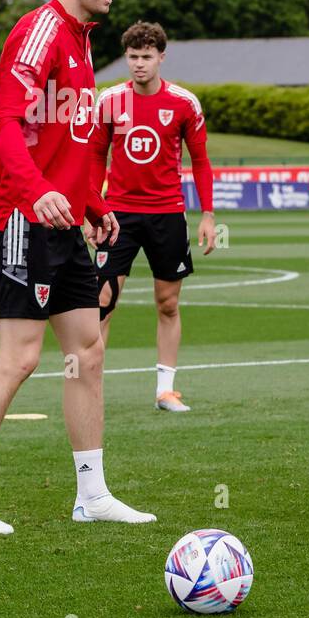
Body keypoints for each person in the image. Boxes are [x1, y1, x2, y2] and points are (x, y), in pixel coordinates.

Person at [0, 0, 156, 535]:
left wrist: (92, 204)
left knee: (88, 350)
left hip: (62, 222)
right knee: (21, 358)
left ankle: (91, 494)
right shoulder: (39, 32)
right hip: (18, 218)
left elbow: (72, 147)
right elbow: (5, 125)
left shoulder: (84, 45)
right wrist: (39, 194)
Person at [91, 21, 216, 412]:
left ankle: (166, 390)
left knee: (167, 303)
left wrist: (208, 215)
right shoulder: (109, 101)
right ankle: (90, 387)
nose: (139, 64)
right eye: (133, 57)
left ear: (161, 57)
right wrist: (92, 209)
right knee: (103, 300)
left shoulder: (184, 103)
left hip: (167, 215)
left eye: (146, 56)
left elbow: (201, 161)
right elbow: (95, 156)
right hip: (118, 215)